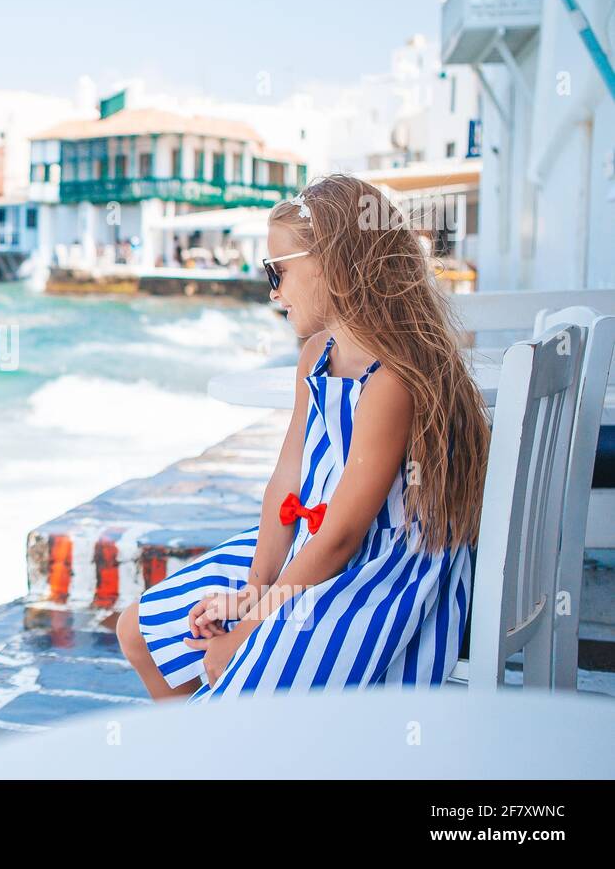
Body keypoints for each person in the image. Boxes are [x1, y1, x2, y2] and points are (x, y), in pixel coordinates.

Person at [117, 173, 491, 703]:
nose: (273, 291)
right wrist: (254, 589)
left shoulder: (392, 381)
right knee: (140, 632)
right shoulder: (316, 354)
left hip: (381, 568)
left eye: (279, 271)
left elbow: (342, 538)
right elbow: (285, 485)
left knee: (234, 678)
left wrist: (248, 632)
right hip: (310, 546)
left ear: (336, 266)